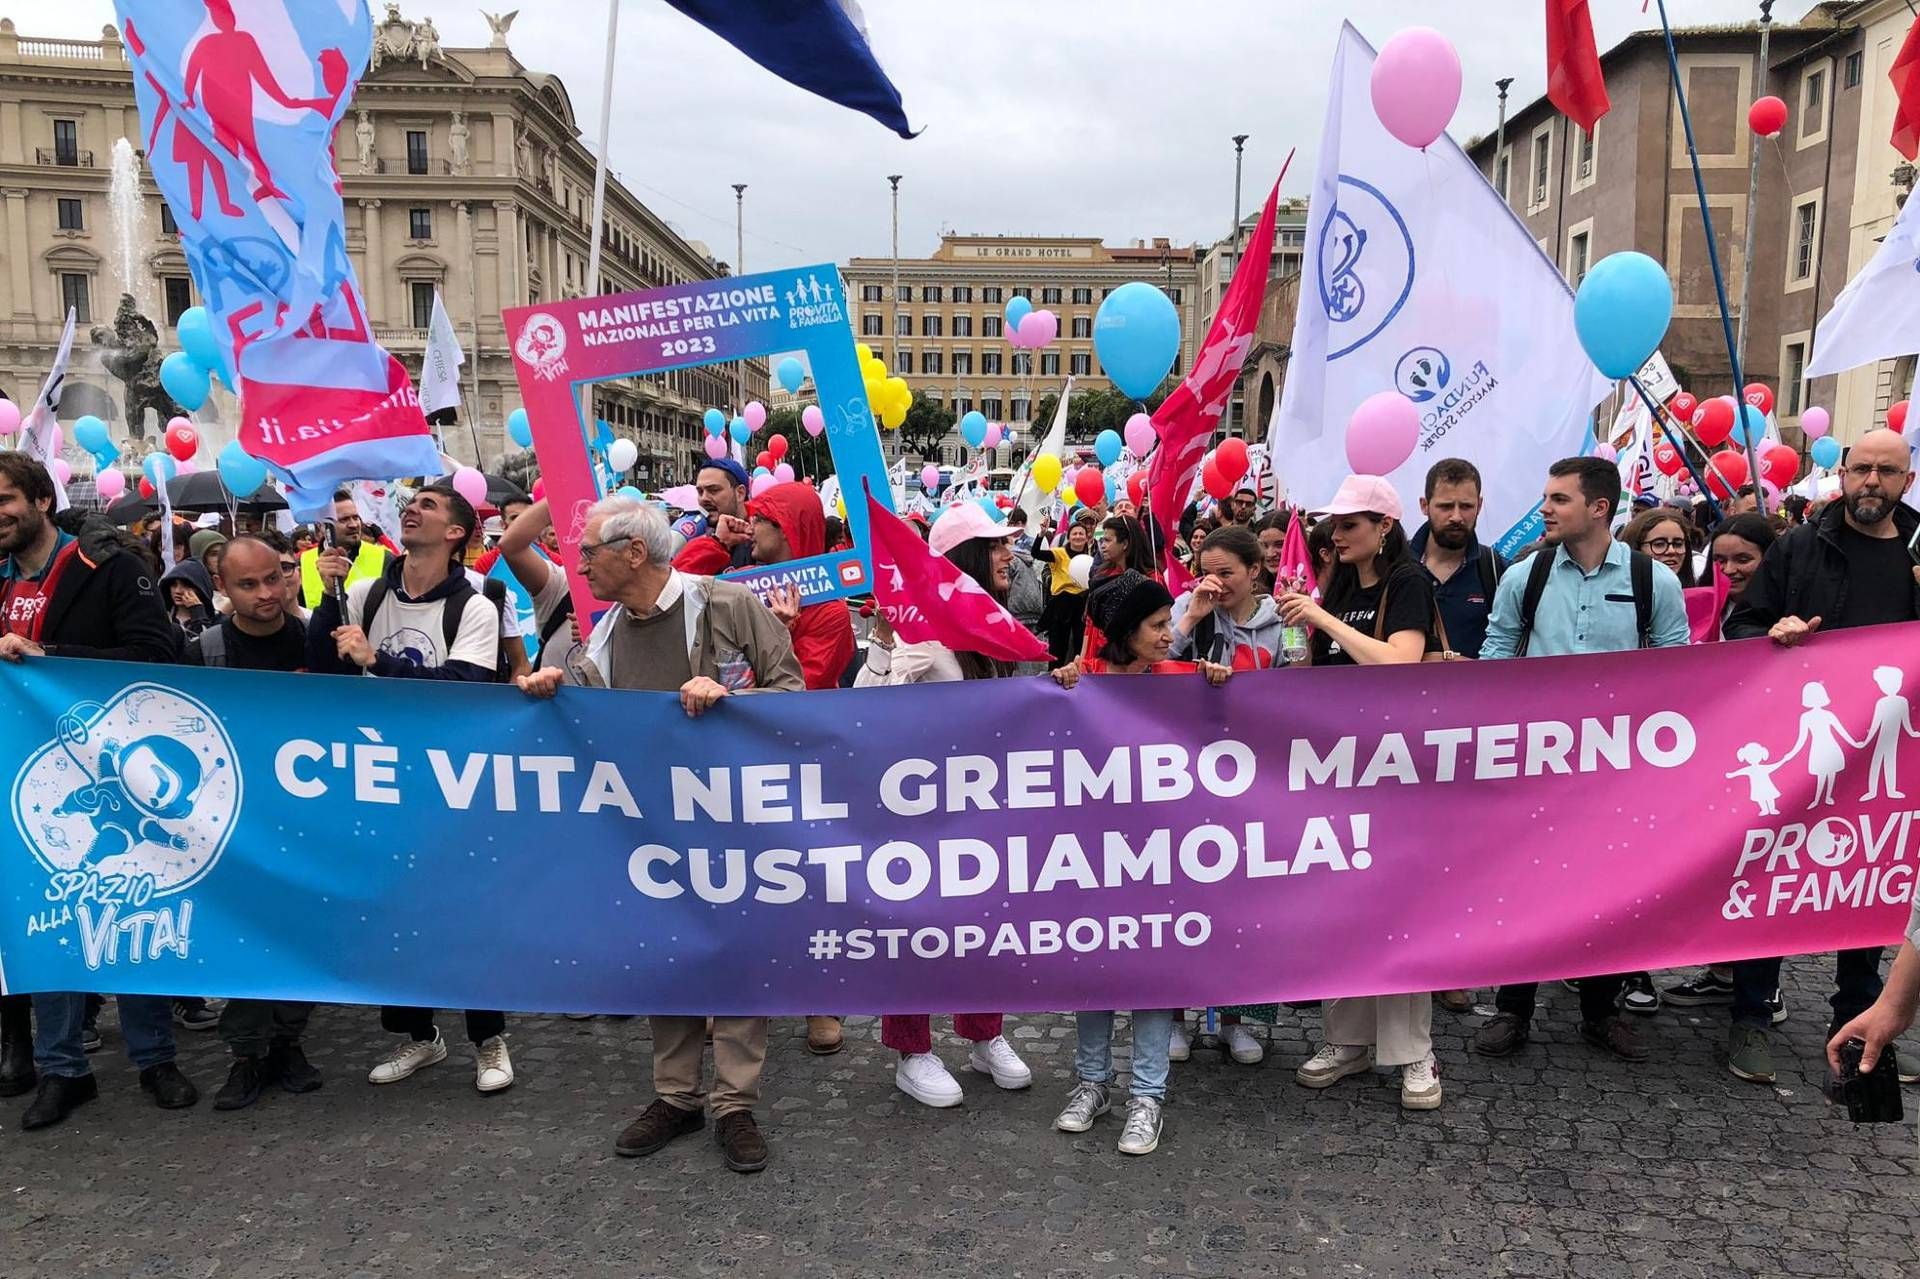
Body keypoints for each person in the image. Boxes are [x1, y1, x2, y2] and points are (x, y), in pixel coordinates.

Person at [517, 493, 804, 1173]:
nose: (577, 563)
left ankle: (734, 1103)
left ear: (633, 552)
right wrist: (553, 687)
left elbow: (794, 696)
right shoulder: (607, 632)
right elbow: (583, 704)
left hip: (735, 828)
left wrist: (732, 699)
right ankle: (676, 1096)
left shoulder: (729, 606)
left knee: (736, 956)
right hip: (652, 831)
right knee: (666, 954)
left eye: (587, 551)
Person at [1717, 428, 1920, 1084]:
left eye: (1885, 472)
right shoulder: (1803, 545)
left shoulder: (1919, 553)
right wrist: (1772, 632)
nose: (1870, 481)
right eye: (1860, 468)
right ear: (1842, 474)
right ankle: (1750, 1014)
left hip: (1890, 754)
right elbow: (1740, 624)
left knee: (1870, 877)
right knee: (1779, 878)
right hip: (1805, 750)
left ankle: (1860, 1019)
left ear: (1906, 482)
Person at [0, 453, 194, 1129]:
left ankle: (154, 1057)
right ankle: (61, 1069)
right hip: (24, 778)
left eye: (5, 499)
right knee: (45, 918)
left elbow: (155, 653)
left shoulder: (105, 567)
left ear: (42, 500)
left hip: (116, 771)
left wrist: (49, 657)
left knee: (130, 910)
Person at [1475, 457, 1689, 1065]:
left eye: (1558, 499)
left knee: (1609, 887)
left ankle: (1602, 1009)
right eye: (1546, 497)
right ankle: (1514, 1007)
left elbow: (1680, 671)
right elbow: (1496, 651)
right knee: (1527, 883)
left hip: (1618, 770)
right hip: (1539, 763)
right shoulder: (1527, 574)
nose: (1545, 509)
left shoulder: (1654, 581)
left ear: (1599, 508)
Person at [307, 483, 516, 1096]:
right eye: (410, 504)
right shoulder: (369, 592)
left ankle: (487, 1037)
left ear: (457, 532)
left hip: (450, 782)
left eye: (429, 505)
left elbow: (463, 688)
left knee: (467, 908)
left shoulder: (474, 606)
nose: (412, 508)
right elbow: (324, 668)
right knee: (393, 905)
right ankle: (418, 1034)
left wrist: (380, 662)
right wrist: (327, 597)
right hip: (378, 777)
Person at [1274, 475, 1445, 1109]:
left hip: (1396, 769)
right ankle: (1347, 1039)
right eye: (1335, 524)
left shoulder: (1407, 583)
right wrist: (1300, 639)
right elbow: (1318, 669)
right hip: (1339, 768)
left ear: (1385, 528)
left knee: (1400, 911)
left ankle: (1413, 1051)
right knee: (1342, 904)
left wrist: (1317, 614)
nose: (1336, 534)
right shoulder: (1341, 579)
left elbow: (1399, 660)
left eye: (1349, 524)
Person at [855, 502, 1035, 1106]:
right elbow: (863, 716)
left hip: (979, 817)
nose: (1008, 554)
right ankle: (913, 1050)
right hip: (916, 822)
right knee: (915, 932)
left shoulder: (989, 632)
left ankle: (985, 1036)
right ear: (964, 562)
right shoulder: (921, 641)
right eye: (994, 546)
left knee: (985, 927)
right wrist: (886, 653)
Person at [1048, 570, 1230, 1155]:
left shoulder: (1181, 678)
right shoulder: (1084, 683)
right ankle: (1093, 1083)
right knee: (1094, 972)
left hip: (1161, 860)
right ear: (1125, 633)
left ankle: (1147, 1095)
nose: (1168, 634)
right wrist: (1060, 686)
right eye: (1156, 626)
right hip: (1095, 859)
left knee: (1153, 973)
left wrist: (1218, 686)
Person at [182, 536, 323, 1110]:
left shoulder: (317, 640)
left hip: (305, 821)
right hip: (233, 824)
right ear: (222, 588)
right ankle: (246, 1055)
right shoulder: (205, 651)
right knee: (244, 937)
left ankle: (287, 1043)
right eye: (249, 584)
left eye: (275, 578)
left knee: (298, 935)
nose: (268, 593)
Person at [1660, 515, 1784, 1019]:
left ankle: (1761, 991)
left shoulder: (1783, 611)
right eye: (1720, 559)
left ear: (1769, 561)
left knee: (1760, 872)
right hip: (1706, 759)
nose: (1729, 569)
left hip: (1765, 759)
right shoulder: (1696, 603)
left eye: (1744, 559)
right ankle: (1722, 972)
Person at [747, 481, 855, 695]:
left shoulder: (831, 612)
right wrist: (717, 543)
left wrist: (773, 633)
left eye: (758, 519)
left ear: (786, 527)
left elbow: (796, 690)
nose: (750, 529)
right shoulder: (745, 582)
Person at [1411, 458, 1504, 662]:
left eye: (1466, 506)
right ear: (1424, 505)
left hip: (1477, 692)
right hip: (1402, 692)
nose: (1456, 516)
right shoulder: (1396, 565)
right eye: (1445, 506)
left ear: (1479, 506)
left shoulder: (1496, 569)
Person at [1169, 525, 1284, 671]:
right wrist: (1191, 618)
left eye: (1225, 573)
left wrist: (1298, 625)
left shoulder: (1278, 618)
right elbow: (1152, 664)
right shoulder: (1187, 605)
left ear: (1254, 570)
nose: (1216, 583)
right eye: (1207, 574)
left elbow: (1297, 678)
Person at [299, 489, 389, 610]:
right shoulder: (303, 562)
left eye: (355, 517)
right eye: (343, 520)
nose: (354, 525)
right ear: (321, 526)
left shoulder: (385, 558)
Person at [673, 458, 755, 574]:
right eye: (700, 492)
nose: (704, 498)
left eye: (713, 490)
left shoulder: (760, 539)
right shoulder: (698, 539)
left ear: (740, 493)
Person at [1037, 514, 1093, 665]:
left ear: (1086, 537)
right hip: (1061, 603)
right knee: (1058, 645)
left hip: (1082, 603)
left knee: (1080, 643)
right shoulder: (1059, 554)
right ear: (1069, 536)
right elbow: (1036, 553)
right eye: (1074, 533)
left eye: (1081, 533)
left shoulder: (1090, 557)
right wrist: (1041, 535)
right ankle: (1054, 674)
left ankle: (1079, 674)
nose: (1078, 536)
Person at [1620, 506, 1698, 588]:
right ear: (1636, 547)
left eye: (1678, 544)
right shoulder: (1616, 597)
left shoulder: (1697, 597)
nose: (1671, 551)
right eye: (1659, 544)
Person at [160, 556, 218, 642]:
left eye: (185, 585)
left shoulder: (217, 619)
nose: (178, 591)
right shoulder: (162, 618)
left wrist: (198, 613)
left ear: (200, 588)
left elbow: (208, 646)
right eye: (174, 585)